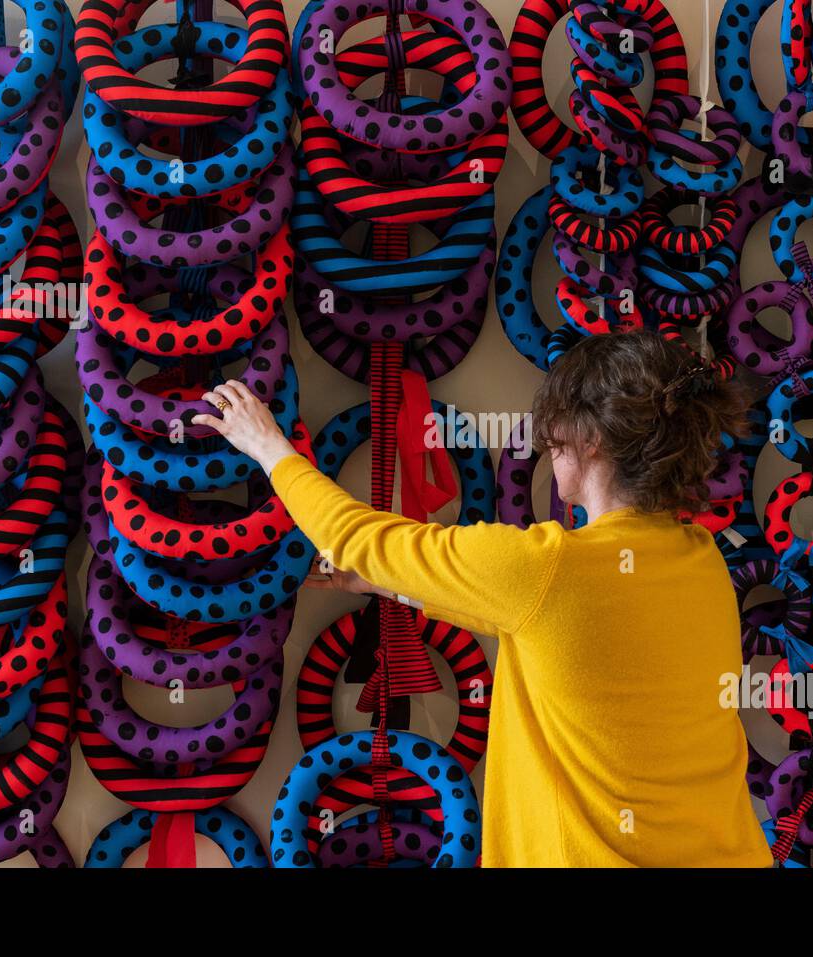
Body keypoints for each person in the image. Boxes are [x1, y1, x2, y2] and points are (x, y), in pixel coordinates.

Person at [193, 330, 771, 867]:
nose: (548, 444)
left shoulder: (547, 569)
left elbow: (358, 538)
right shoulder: (701, 559)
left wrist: (268, 447)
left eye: (557, 427)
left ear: (591, 437)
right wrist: (386, 583)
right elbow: (543, 625)